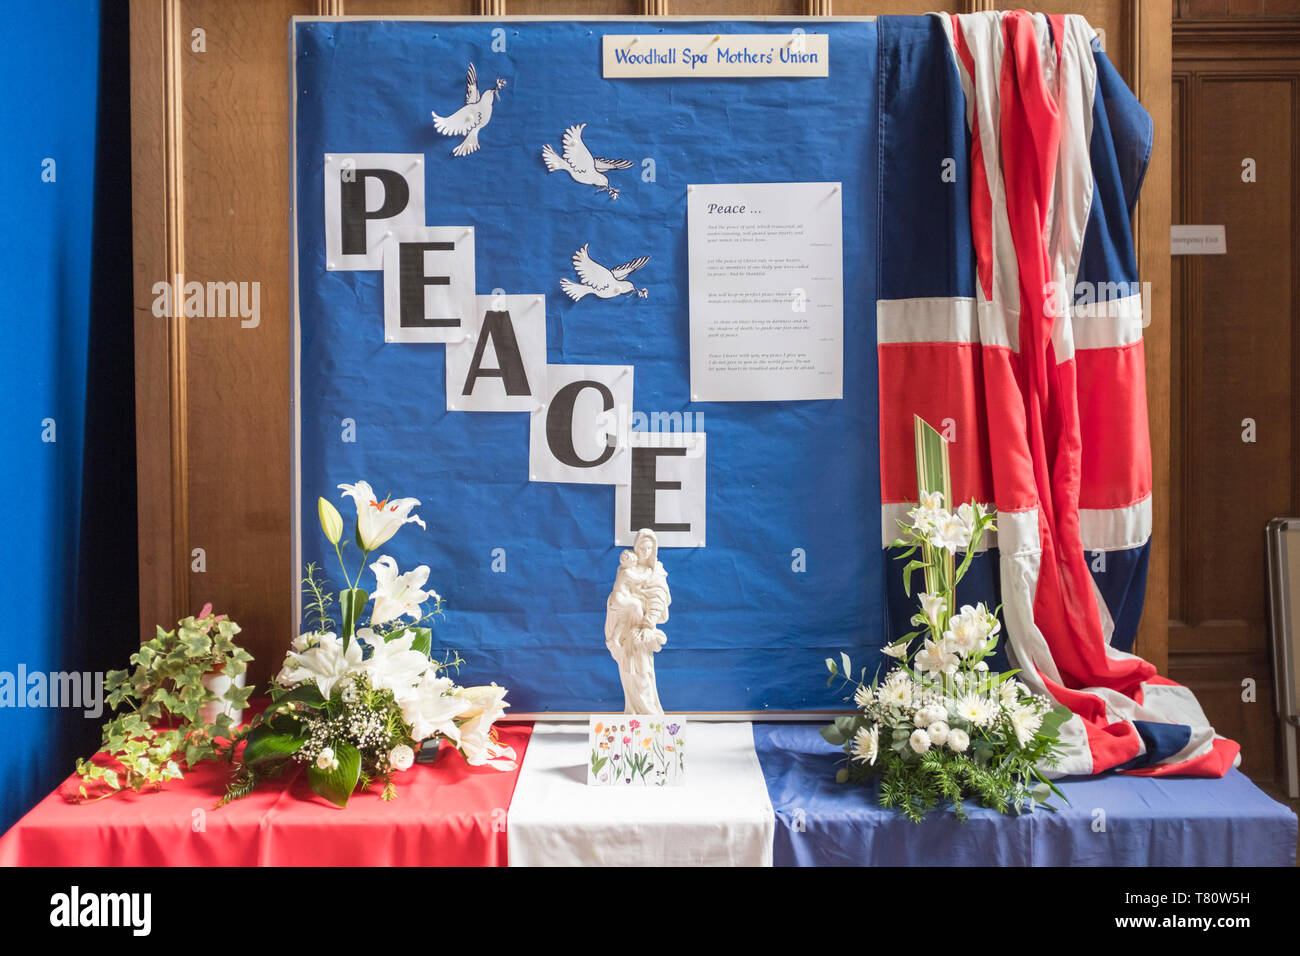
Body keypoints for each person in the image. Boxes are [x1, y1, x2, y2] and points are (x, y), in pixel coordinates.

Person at [604, 528, 671, 714]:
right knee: (627, 674)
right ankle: (632, 711)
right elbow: (617, 596)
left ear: (654, 549)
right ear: (636, 547)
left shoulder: (656, 572)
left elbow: (658, 598)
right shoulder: (626, 570)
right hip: (625, 628)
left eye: (649, 548)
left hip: (642, 632)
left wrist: (649, 624)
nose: (645, 551)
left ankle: (650, 713)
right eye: (642, 547)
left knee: (643, 673)